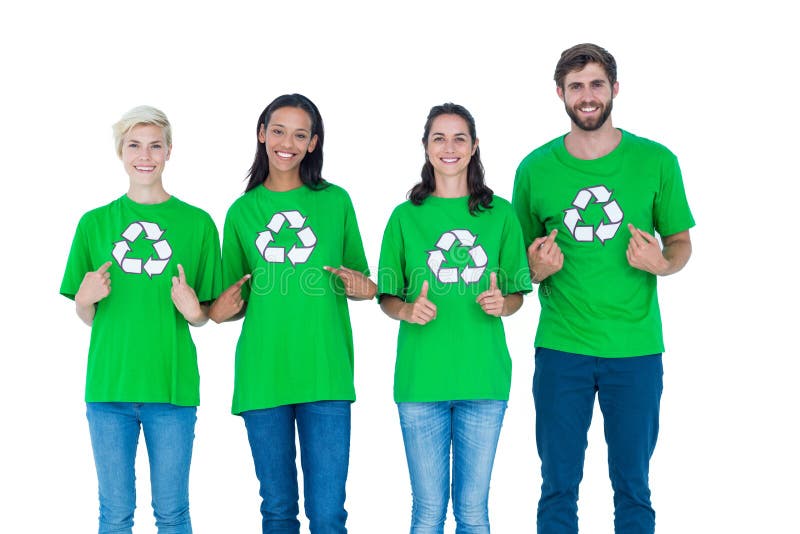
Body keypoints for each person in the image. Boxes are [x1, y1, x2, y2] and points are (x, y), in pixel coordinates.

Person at [512, 43, 695, 533]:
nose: (587, 96)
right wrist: (535, 270)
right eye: (576, 86)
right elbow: (517, 266)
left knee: (633, 486)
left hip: (635, 349)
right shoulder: (534, 169)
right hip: (562, 348)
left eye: (596, 84)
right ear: (560, 93)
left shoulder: (656, 161)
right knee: (557, 486)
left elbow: (680, 243)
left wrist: (662, 262)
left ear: (615, 88)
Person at [209, 93, 375, 534]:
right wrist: (218, 311)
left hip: (325, 372)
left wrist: (365, 289)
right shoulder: (241, 212)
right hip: (264, 374)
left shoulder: (336, 201)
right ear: (262, 134)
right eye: (279, 131)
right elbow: (230, 301)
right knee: (278, 511)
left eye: (300, 135)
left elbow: (363, 283)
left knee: (328, 515)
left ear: (313, 143)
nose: (288, 143)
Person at [60, 105, 222, 534]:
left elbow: (205, 315)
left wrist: (193, 310)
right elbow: (88, 315)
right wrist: (84, 300)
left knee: (172, 513)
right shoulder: (94, 224)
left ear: (169, 151)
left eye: (155, 145)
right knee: (114, 514)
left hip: (171, 389)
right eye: (134, 145)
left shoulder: (198, 224)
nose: (144, 155)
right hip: (109, 389)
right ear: (120, 151)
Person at [378, 103, 532, 533]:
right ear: (426, 146)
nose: (449, 147)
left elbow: (517, 293)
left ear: (474, 146)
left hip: (483, 380)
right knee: (428, 510)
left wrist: (503, 304)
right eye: (439, 138)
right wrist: (407, 309)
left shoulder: (500, 214)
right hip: (420, 381)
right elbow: (387, 296)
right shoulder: (405, 217)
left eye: (459, 138)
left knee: (473, 510)